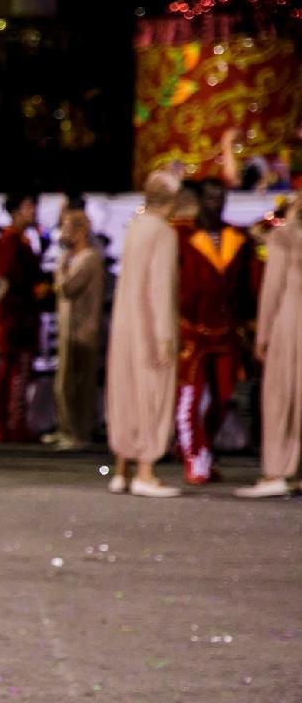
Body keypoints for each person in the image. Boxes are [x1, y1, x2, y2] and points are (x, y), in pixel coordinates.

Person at [105, 171, 183, 497]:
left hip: (126, 322)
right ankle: (146, 473)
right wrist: (165, 335)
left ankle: (121, 470)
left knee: (126, 391)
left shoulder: (135, 227)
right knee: (151, 393)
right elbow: (160, 287)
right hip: (149, 325)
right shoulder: (163, 232)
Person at [174, 179, 254, 484]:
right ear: (198, 201)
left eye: (221, 198)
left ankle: (202, 450)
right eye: (210, 198)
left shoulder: (237, 238)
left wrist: (249, 323)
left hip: (227, 331)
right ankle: (194, 457)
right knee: (190, 397)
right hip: (191, 329)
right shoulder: (180, 236)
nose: (216, 204)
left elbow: (245, 287)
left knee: (222, 397)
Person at [238, 197, 300, 498]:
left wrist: (262, 336)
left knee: (280, 396)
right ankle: (296, 471)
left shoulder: (284, 237)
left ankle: (276, 471)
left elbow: (273, 289)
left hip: (290, 322)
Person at [0, 189, 46, 443]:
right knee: (15, 371)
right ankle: (10, 425)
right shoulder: (10, 241)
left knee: (14, 370)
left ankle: (10, 424)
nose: (33, 212)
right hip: (15, 318)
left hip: (19, 317)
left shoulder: (20, 239)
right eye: (28, 207)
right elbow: (11, 278)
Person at [50, 206, 106, 451]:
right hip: (68, 329)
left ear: (81, 231)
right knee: (65, 381)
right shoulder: (72, 257)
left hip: (83, 330)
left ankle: (79, 433)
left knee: (80, 383)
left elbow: (68, 288)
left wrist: (61, 269)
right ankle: (65, 427)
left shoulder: (89, 259)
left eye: (66, 228)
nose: (62, 233)